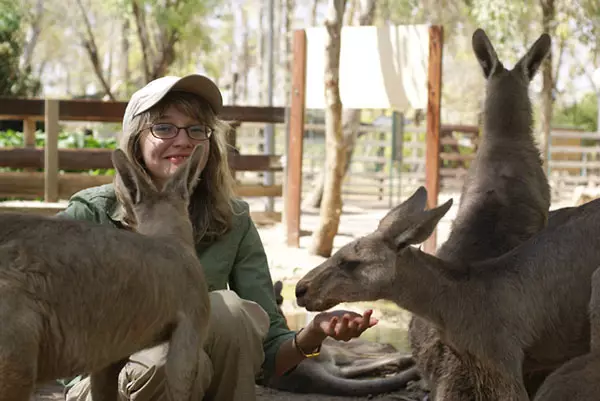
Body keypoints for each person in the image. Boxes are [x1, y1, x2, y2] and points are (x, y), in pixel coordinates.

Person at [57, 74, 378, 401]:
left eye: (197, 129)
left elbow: (267, 357)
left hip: (194, 372)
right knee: (170, 354)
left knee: (228, 312)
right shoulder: (92, 213)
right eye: (164, 128)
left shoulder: (233, 220)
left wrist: (313, 334)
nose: (183, 140)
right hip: (107, 383)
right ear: (135, 141)